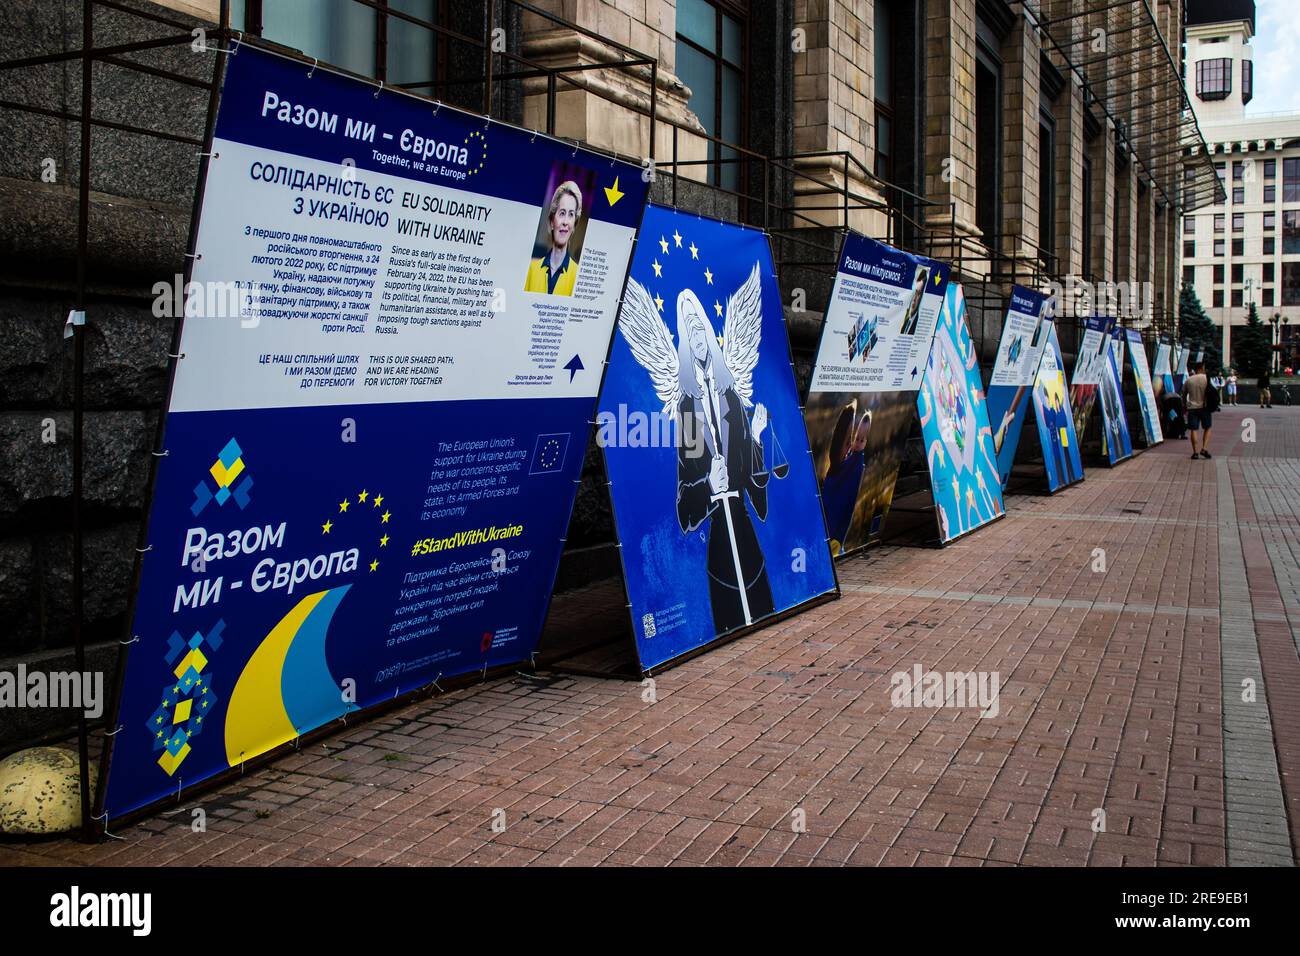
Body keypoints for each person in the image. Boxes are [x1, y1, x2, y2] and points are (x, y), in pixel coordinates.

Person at [674, 290, 775, 634]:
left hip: (745, 533)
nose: (697, 340)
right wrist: (709, 488)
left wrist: (758, 437)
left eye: (700, 329)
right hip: (719, 539)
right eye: (690, 334)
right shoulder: (688, 411)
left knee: (762, 610)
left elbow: (751, 475)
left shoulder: (731, 398)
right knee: (730, 618)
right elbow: (685, 507)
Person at [524, 180, 582, 296]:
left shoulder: (578, 277)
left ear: (574, 225)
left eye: (571, 214)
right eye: (561, 213)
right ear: (552, 221)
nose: (565, 222)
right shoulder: (531, 269)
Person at [1184, 360, 1213, 459]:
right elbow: (1212, 392)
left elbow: (1183, 394)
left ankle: (1195, 452)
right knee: (1207, 427)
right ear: (1201, 368)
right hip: (1204, 407)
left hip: (1192, 408)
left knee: (1193, 429)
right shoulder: (1206, 378)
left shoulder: (1189, 380)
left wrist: (1185, 405)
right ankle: (1204, 448)